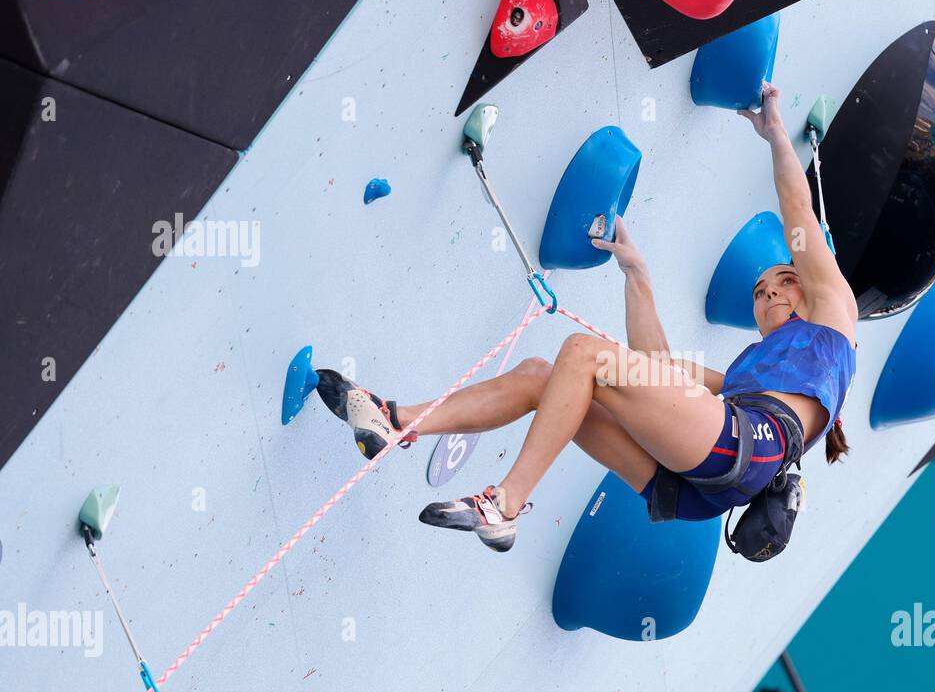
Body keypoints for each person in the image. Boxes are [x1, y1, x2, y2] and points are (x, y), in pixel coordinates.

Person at [315, 83, 858, 552]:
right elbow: (658, 371)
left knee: (582, 353)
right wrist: (637, 275)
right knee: (539, 376)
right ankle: (399, 421)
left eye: (778, 284)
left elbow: (796, 209)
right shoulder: (750, 374)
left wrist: (777, 136)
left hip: (746, 447)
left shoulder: (833, 320)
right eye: (759, 292)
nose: (765, 296)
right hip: (704, 480)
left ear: (804, 286)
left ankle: (504, 505)